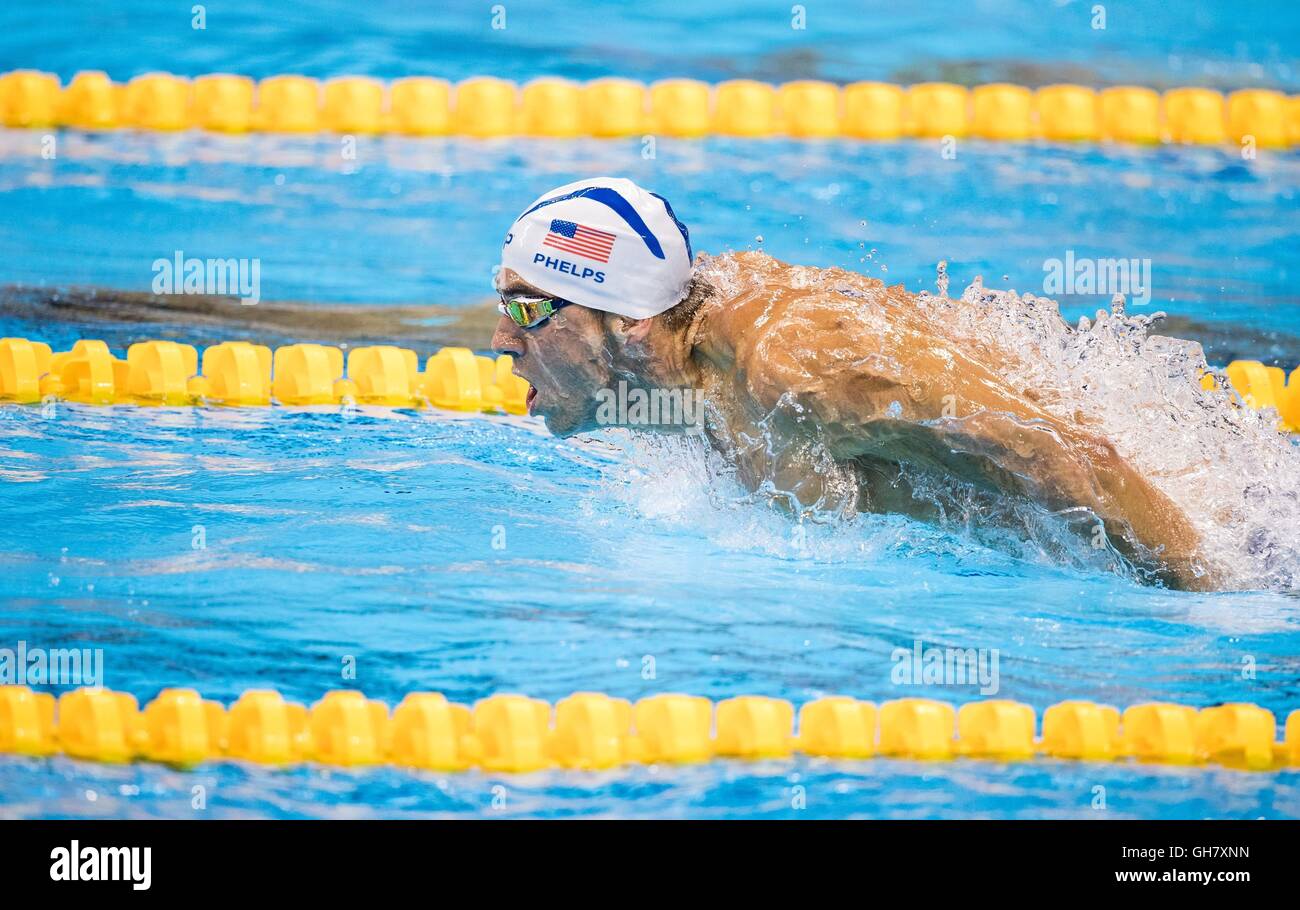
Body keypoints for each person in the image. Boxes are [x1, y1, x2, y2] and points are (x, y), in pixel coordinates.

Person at [491, 177, 1215, 590]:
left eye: (526, 309)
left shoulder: (794, 366)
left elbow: (1076, 463)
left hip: (1225, 546)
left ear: (630, 324)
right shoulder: (668, 366)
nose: (501, 342)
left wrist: (1218, 612)